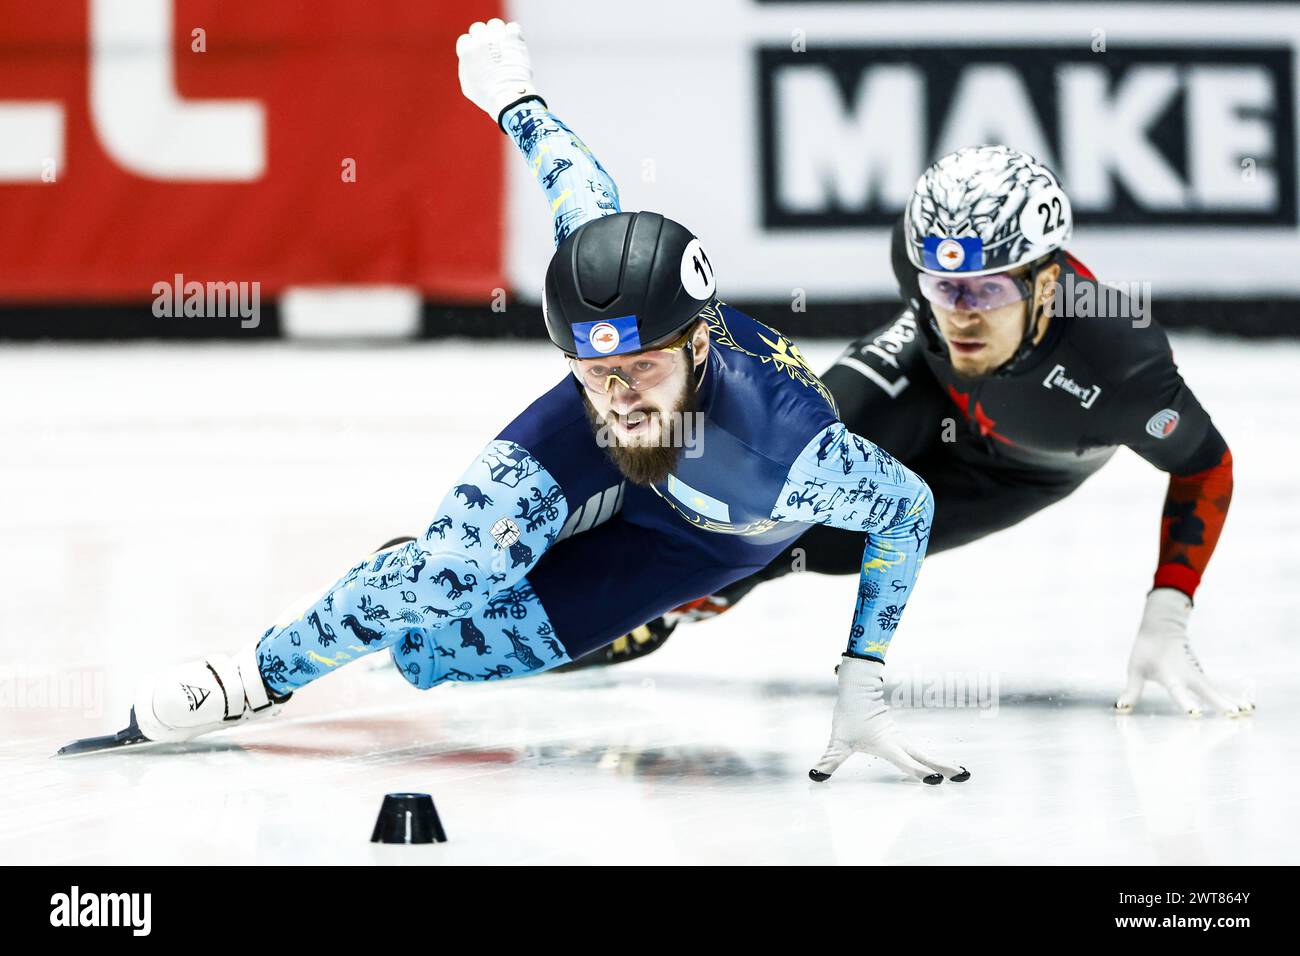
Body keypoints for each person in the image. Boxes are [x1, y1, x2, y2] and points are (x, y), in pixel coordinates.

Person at [77, 20, 967, 785]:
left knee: (429, 656)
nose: (618, 397)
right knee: (448, 577)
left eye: (642, 370)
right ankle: (255, 677)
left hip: (699, 546)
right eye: (591, 368)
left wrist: (863, 676)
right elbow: (582, 191)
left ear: (699, 344)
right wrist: (513, 96)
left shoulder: (790, 451)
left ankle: (442, 584)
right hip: (589, 456)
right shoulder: (614, 336)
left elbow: (907, 507)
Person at [578, 145, 1252, 719]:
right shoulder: (918, 264)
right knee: (790, 466)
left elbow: (1205, 465)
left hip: (1015, 470)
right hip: (922, 378)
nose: (960, 314)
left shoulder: (1122, 365)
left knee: (822, 546)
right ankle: (612, 523)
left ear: (1047, 286)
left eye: (987, 291)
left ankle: (672, 604)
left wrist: (1170, 606)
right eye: (943, 286)